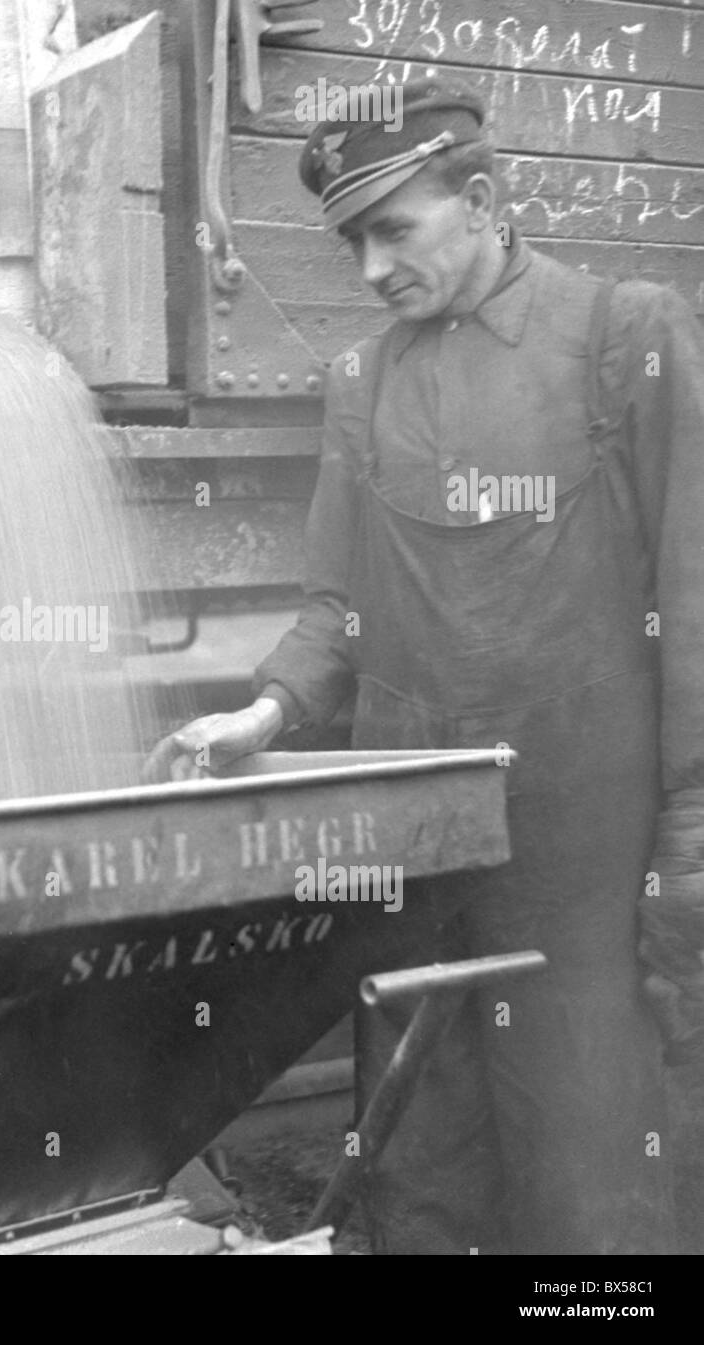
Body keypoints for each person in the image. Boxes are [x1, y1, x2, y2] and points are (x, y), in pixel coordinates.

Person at [144, 76, 703, 1254]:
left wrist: (690, 842)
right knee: (417, 1166)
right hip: (410, 840)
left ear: (485, 199)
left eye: (391, 228)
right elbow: (337, 609)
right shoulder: (365, 383)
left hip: (581, 857)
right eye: (350, 239)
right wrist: (262, 711)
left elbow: (693, 601)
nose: (368, 268)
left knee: (587, 1170)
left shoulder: (626, 335)